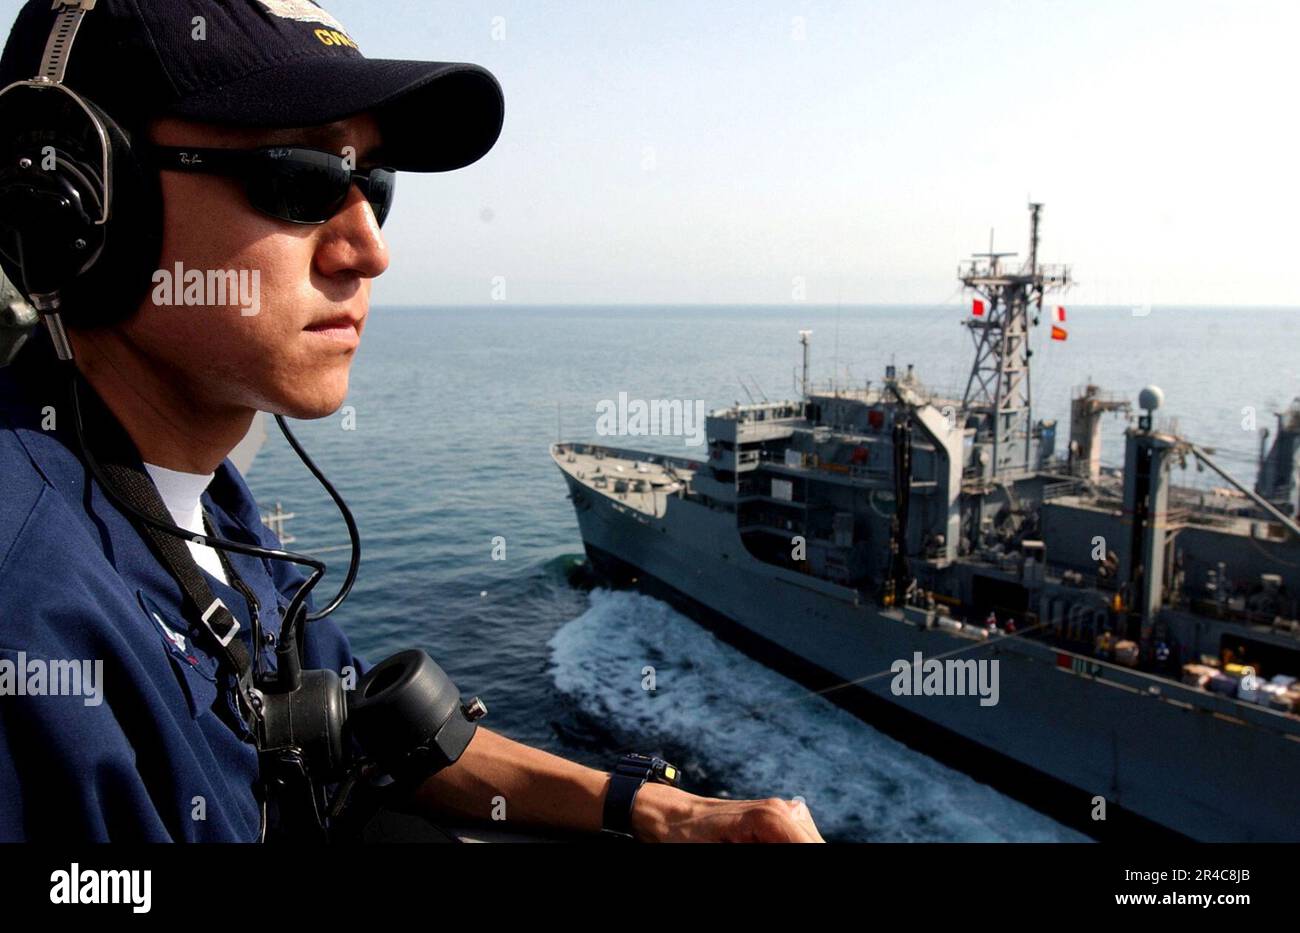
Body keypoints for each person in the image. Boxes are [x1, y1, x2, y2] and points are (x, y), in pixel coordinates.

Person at [0, 0, 823, 843]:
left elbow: (358, 723)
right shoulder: (32, 624)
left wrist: (664, 809)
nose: (368, 248)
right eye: (301, 177)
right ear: (76, 203)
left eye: (372, 184)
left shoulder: (197, 504)